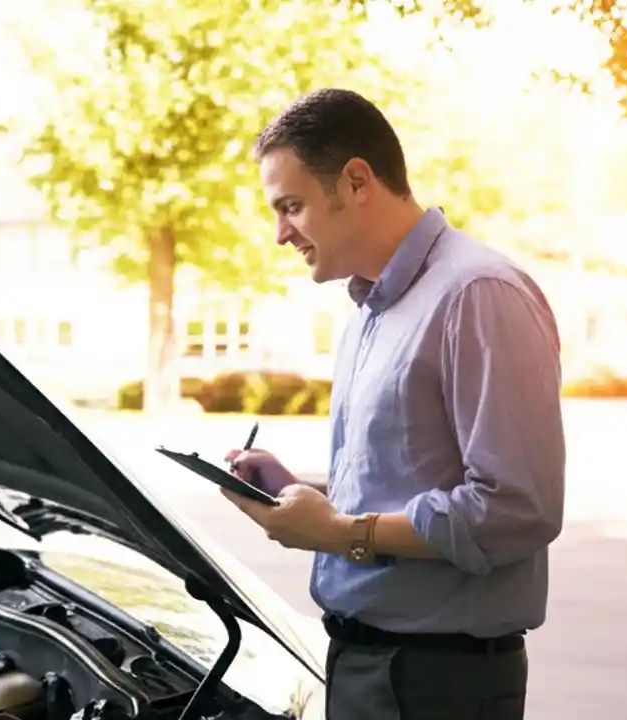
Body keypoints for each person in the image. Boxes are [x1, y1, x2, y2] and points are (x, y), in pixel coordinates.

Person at [221, 88, 566, 720]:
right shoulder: (367, 314)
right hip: (365, 667)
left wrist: (338, 533)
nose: (279, 235)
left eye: (291, 206)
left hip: (438, 683)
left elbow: (517, 509)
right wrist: (301, 491)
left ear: (355, 181)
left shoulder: (478, 293)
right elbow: (406, 480)